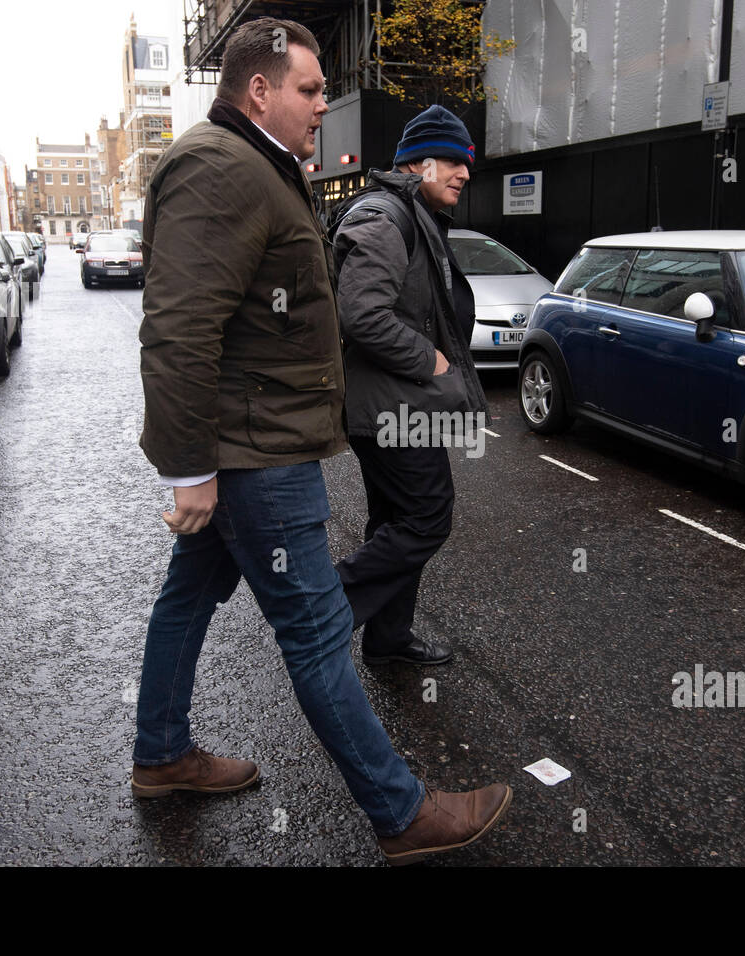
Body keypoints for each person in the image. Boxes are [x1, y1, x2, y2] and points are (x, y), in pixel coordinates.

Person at [130, 17, 510, 865]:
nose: (321, 106)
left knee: (189, 600)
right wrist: (191, 470)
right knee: (311, 632)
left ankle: (160, 753)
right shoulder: (217, 165)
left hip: (255, 442)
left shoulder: (260, 165)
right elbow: (180, 327)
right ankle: (401, 812)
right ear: (258, 89)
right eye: (308, 89)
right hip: (253, 455)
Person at [331, 106, 489, 666]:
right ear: (416, 163)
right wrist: (433, 363)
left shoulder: (416, 214)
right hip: (391, 410)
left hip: (398, 407)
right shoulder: (385, 217)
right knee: (427, 519)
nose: (464, 173)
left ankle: (388, 639)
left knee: (395, 522)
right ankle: (324, 611)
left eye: (467, 163)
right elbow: (364, 315)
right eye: (451, 161)